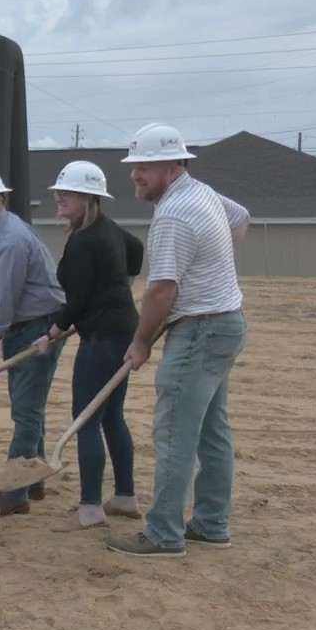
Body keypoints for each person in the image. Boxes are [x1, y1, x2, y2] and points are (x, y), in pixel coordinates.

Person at [106, 123, 250, 559]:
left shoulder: (173, 214)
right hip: (227, 322)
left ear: (172, 167)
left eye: (143, 167)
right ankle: (210, 525)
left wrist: (142, 340)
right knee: (211, 431)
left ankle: (164, 534)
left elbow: (161, 291)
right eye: (133, 167)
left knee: (174, 433)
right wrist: (213, 270)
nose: (134, 176)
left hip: (201, 330)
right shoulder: (201, 192)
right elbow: (241, 218)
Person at [32, 161, 144, 531]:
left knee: (86, 419)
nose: (59, 197)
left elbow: (76, 301)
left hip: (102, 338)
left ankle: (91, 509)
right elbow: (136, 250)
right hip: (124, 329)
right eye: (59, 192)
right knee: (111, 415)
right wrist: (116, 289)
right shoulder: (107, 230)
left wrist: (53, 332)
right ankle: (125, 498)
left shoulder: (83, 240)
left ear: (89, 198)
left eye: (69, 193)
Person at [0, 164, 66, 517]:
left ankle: (15, 491)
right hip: (27, 324)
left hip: (36, 326)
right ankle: (33, 481)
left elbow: (2, 306)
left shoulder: (9, 240)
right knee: (30, 405)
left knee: (26, 410)